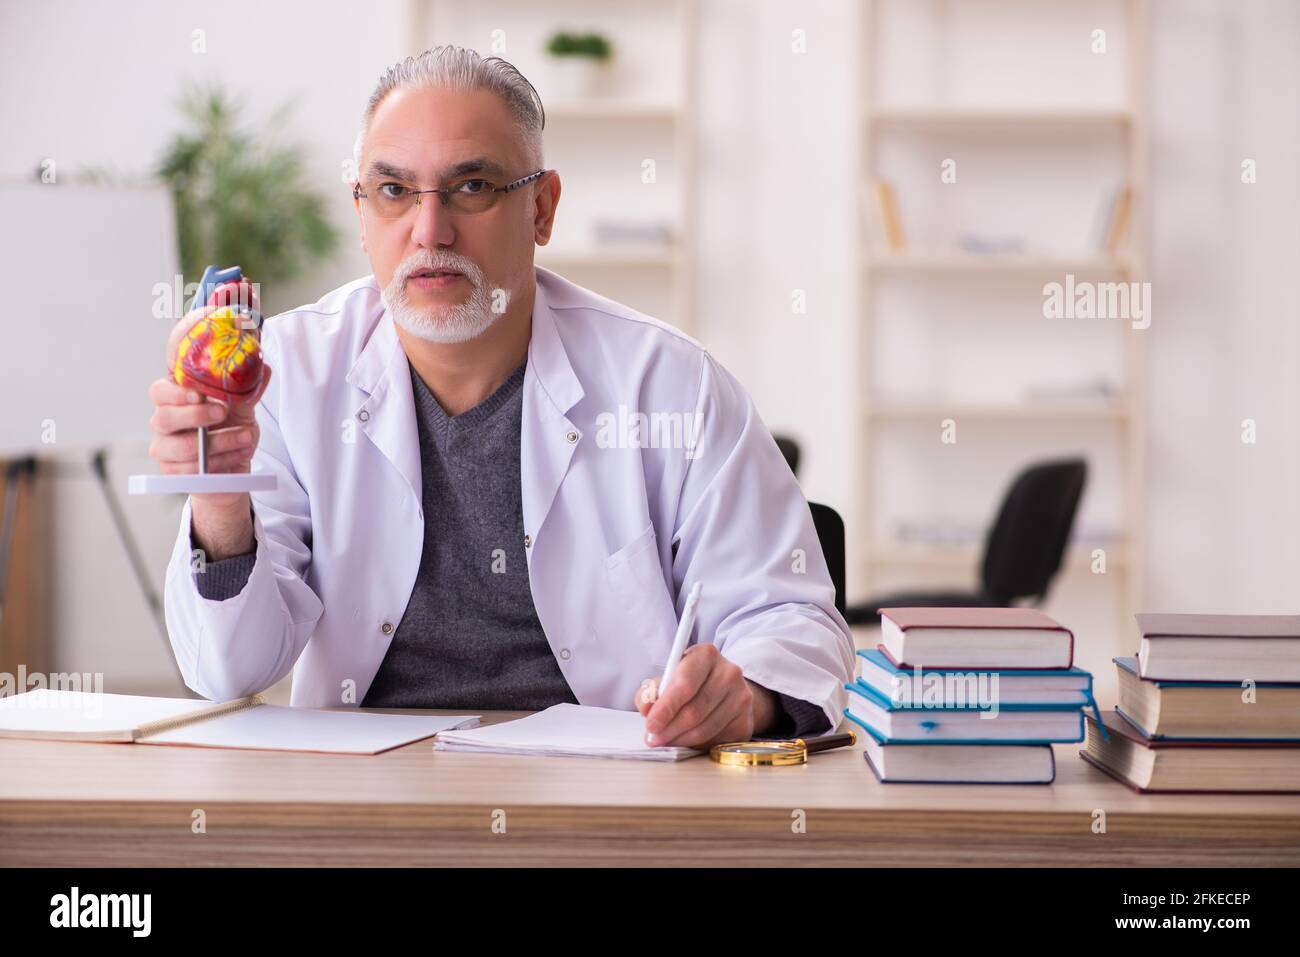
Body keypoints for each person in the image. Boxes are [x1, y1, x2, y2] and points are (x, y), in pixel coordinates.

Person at [150, 45, 853, 749]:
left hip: (609, 803)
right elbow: (227, 668)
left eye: (473, 186)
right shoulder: (287, 376)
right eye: (394, 191)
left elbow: (793, 621)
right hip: (365, 805)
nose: (430, 231)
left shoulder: (671, 385)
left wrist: (746, 697)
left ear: (542, 209)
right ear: (362, 216)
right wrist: (219, 493)